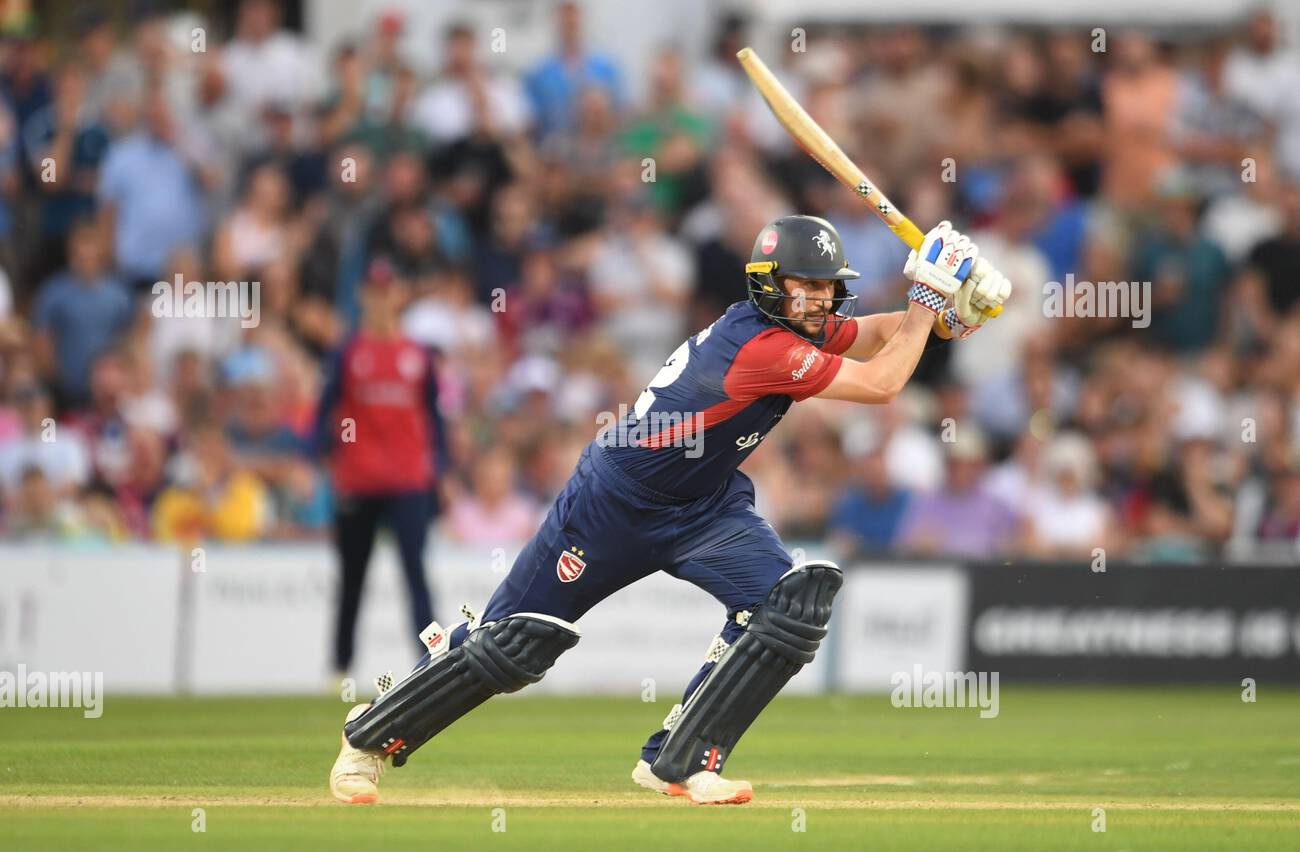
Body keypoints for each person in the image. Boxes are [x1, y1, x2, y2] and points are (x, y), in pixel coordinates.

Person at [329, 215, 1010, 805]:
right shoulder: (764, 347)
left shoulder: (790, 325)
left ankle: (680, 762)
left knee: (788, 605)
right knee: (513, 645)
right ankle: (368, 737)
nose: (819, 302)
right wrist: (927, 299)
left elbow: (872, 334)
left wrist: (949, 316)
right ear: (771, 286)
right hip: (612, 505)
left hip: (704, 507)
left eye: (827, 289)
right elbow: (884, 381)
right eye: (806, 288)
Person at [312, 257, 450, 682]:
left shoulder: (417, 355)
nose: (381, 298)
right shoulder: (349, 353)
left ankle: (432, 664)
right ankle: (339, 669)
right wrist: (329, 459)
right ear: (363, 295)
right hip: (358, 481)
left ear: (397, 295)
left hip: (408, 481)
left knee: (415, 572)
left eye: (387, 290)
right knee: (353, 577)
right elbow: (324, 413)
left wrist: (439, 468)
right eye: (373, 290)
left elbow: (434, 416)